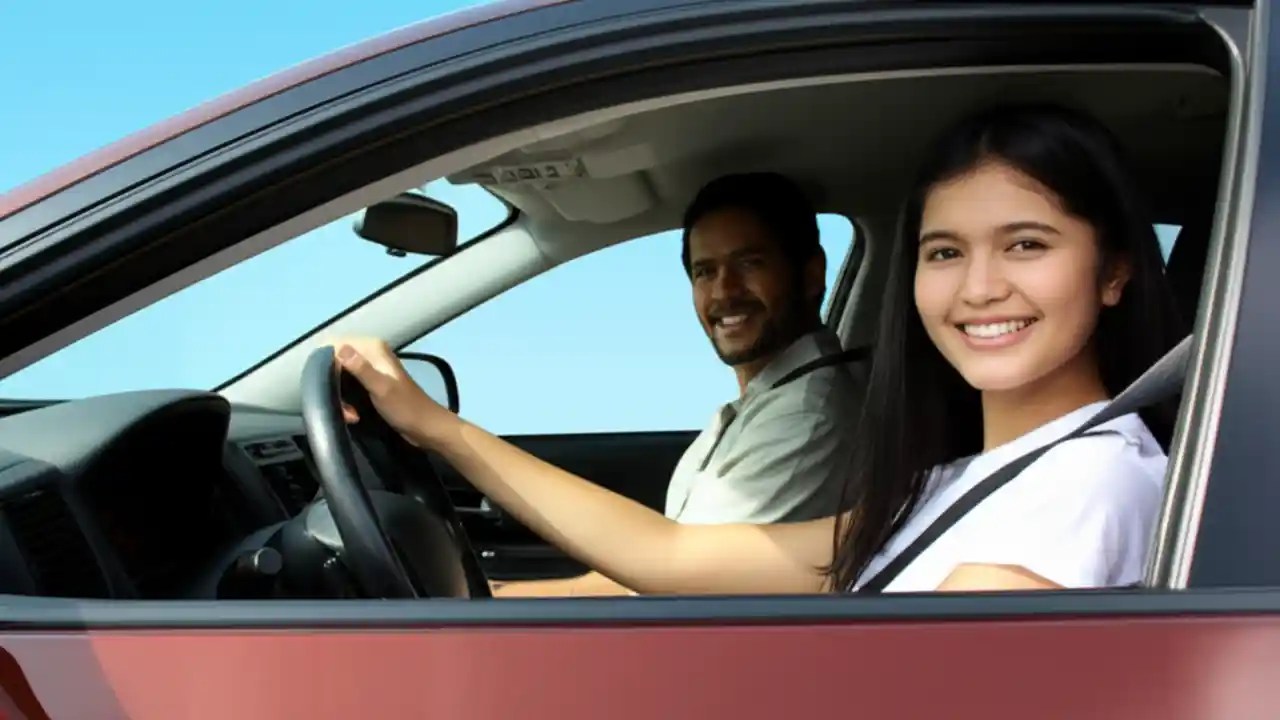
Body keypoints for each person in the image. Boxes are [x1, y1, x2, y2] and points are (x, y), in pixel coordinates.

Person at [332, 102, 1185, 596]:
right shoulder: (958, 480)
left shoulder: (1089, 486)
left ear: (1113, 273)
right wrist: (437, 430)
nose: (979, 288)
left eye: (1027, 245)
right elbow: (669, 558)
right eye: (945, 252)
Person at [489, 173, 863, 597]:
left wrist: (440, 429)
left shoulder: (806, 416)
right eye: (705, 272)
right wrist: (501, 595)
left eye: (749, 263)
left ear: (811, 274)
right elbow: (661, 566)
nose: (724, 291)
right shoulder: (771, 402)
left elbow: (676, 580)